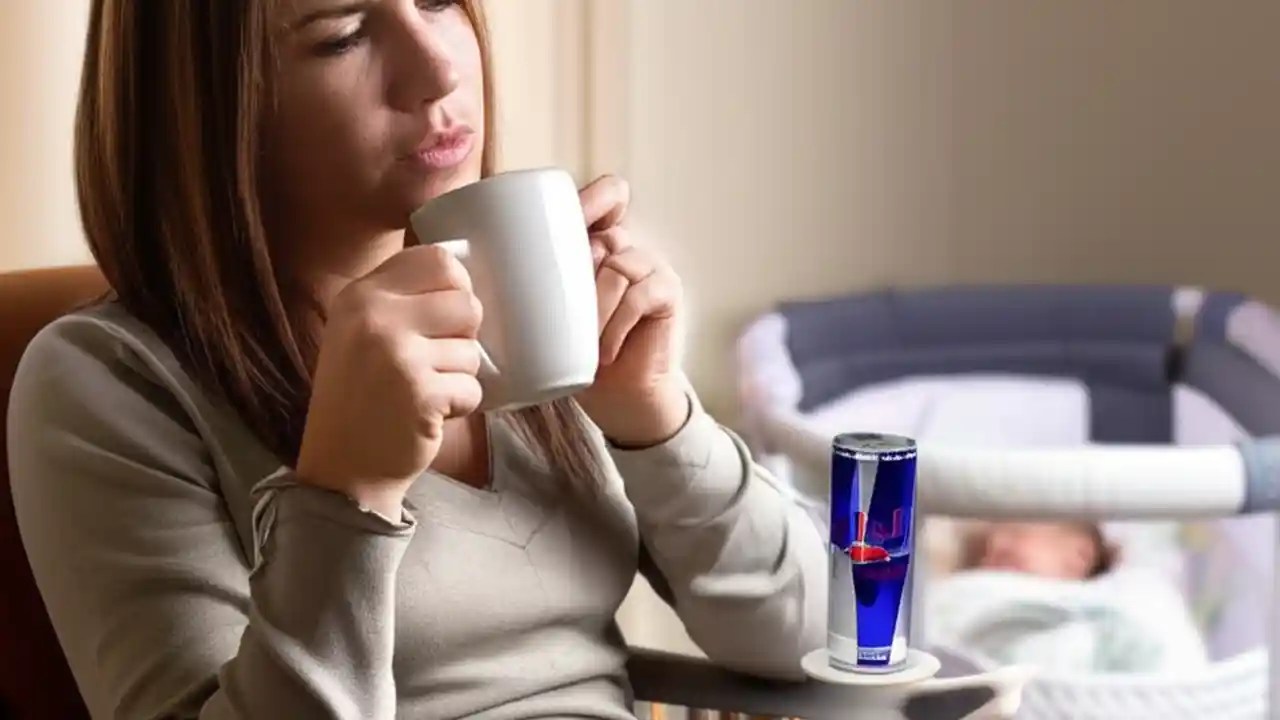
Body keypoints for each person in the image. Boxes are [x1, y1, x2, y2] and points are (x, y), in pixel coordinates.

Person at [6, 2, 826, 718]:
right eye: (342, 35)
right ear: (207, 103)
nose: (437, 70)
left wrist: (657, 421)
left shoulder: (530, 298)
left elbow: (821, 639)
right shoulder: (104, 381)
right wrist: (346, 497)